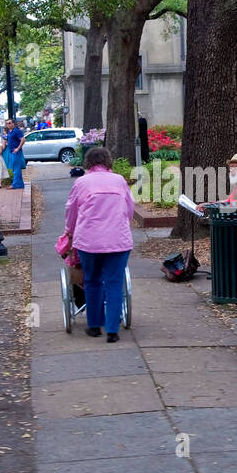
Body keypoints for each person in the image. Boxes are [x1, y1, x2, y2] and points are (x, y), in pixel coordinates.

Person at [64, 145, 134, 343]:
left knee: (92, 281)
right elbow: (130, 208)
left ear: (88, 163)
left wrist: (69, 231)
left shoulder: (82, 182)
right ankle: (112, 330)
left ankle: (94, 326)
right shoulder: (119, 180)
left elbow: (71, 211)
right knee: (114, 283)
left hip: (89, 241)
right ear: (108, 161)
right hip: (117, 240)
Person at [4, 118, 27, 189]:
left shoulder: (16, 131)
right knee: (15, 168)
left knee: (16, 169)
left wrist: (18, 148)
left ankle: (15, 184)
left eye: (10, 123)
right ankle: (19, 184)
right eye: (7, 123)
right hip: (11, 152)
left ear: (13, 123)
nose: (8, 124)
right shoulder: (10, 132)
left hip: (15, 152)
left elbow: (23, 139)